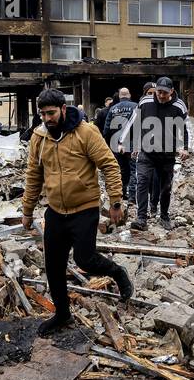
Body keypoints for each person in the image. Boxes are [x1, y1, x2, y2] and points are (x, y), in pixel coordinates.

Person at [22, 87, 132, 336]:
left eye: (51, 113)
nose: (47, 119)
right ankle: (62, 314)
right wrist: (27, 210)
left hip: (85, 208)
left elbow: (109, 165)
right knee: (53, 266)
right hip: (56, 211)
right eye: (43, 114)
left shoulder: (85, 132)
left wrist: (116, 201)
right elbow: (33, 176)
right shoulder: (39, 138)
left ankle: (117, 272)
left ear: (63, 109)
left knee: (85, 259)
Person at [128, 76, 190, 231]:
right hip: (146, 152)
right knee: (142, 182)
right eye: (159, 92)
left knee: (165, 186)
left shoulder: (179, 106)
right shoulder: (145, 102)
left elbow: (186, 128)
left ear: (172, 92)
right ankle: (141, 217)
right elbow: (135, 123)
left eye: (165, 93)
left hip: (167, 154)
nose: (161, 96)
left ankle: (164, 215)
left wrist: (185, 148)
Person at [102, 88, 138, 203]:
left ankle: (122, 193)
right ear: (129, 95)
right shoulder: (136, 106)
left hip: (116, 144)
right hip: (132, 144)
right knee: (133, 170)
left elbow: (107, 129)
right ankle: (132, 196)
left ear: (119, 96)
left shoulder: (113, 109)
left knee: (121, 169)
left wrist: (107, 143)